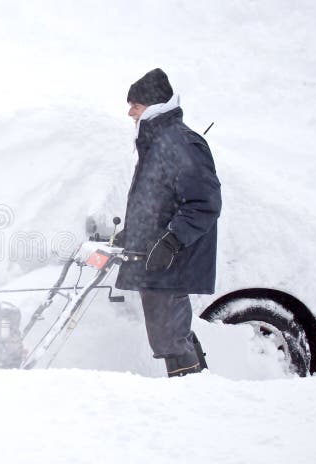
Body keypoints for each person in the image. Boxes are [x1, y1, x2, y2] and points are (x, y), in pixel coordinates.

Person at [114, 68, 222, 377]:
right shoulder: (159, 142)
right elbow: (159, 200)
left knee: (168, 335)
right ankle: (201, 387)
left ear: (152, 104)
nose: (129, 111)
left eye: (134, 104)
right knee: (170, 331)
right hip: (157, 257)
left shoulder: (180, 144)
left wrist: (171, 240)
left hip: (172, 258)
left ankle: (188, 393)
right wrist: (133, 235)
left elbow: (204, 203)